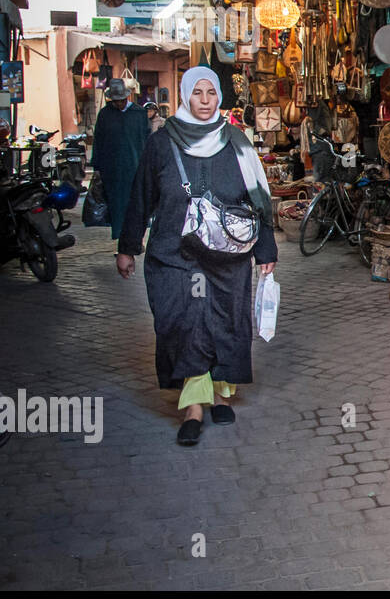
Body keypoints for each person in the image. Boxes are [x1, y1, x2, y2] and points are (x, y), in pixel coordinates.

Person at [116, 67, 278, 446]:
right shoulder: (162, 143)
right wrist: (127, 247)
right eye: (197, 93)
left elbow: (259, 198)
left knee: (224, 321)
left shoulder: (236, 141)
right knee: (183, 323)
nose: (204, 101)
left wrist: (265, 249)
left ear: (219, 97)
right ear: (186, 97)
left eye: (210, 93)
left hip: (227, 253)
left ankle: (221, 394)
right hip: (174, 252)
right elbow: (141, 196)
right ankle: (192, 408)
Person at [91, 78, 150, 239]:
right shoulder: (105, 114)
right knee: (116, 205)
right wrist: (96, 166)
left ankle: (135, 237)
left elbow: (147, 140)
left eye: (121, 100)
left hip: (135, 167)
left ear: (127, 97)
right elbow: (98, 140)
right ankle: (120, 238)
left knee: (136, 204)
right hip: (112, 169)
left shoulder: (139, 114)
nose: (119, 104)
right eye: (115, 101)